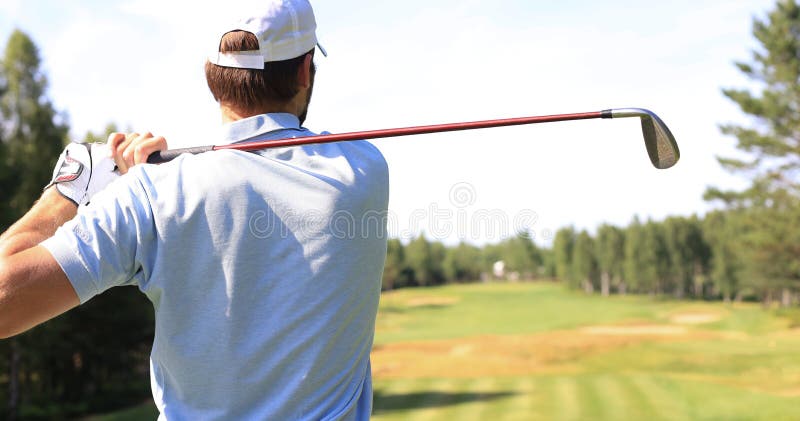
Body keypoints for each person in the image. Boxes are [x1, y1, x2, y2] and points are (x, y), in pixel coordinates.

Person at [0, 0, 390, 419]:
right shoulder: (363, 172)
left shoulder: (151, 196)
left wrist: (74, 190)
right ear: (303, 70)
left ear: (211, 76)